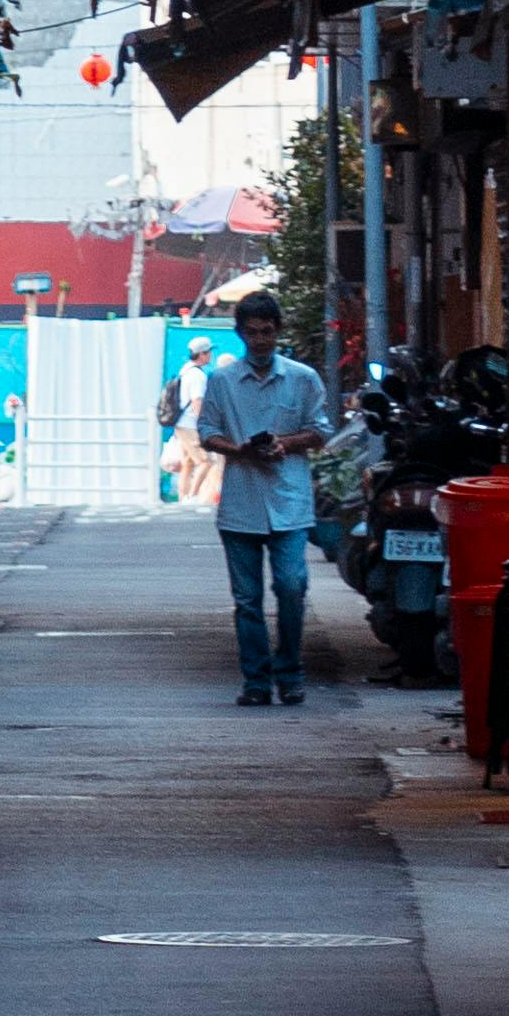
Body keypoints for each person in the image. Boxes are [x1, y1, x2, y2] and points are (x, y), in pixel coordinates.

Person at [190, 272, 337, 710]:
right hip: (240, 503)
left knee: (292, 587)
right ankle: (256, 680)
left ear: (278, 331)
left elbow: (320, 430)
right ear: (240, 335)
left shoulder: (302, 378)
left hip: (289, 501)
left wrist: (284, 444)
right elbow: (207, 432)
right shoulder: (223, 381)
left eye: (267, 332)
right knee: (247, 600)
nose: (259, 340)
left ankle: (290, 672)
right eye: (251, 333)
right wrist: (240, 450)